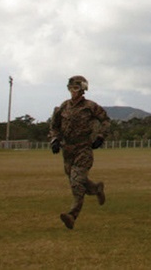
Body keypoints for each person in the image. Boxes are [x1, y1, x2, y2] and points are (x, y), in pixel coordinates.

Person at [49, 75, 111, 229]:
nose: (73, 91)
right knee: (76, 180)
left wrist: (101, 136)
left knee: (77, 182)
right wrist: (55, 140)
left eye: (76, 88)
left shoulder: (90, 106)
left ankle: (72, 215)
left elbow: (105, 121)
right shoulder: (63, 107)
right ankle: (96, 189)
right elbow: (55, 126)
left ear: (83, 89)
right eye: (71, 88)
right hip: (68, 150)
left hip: (83, 149)